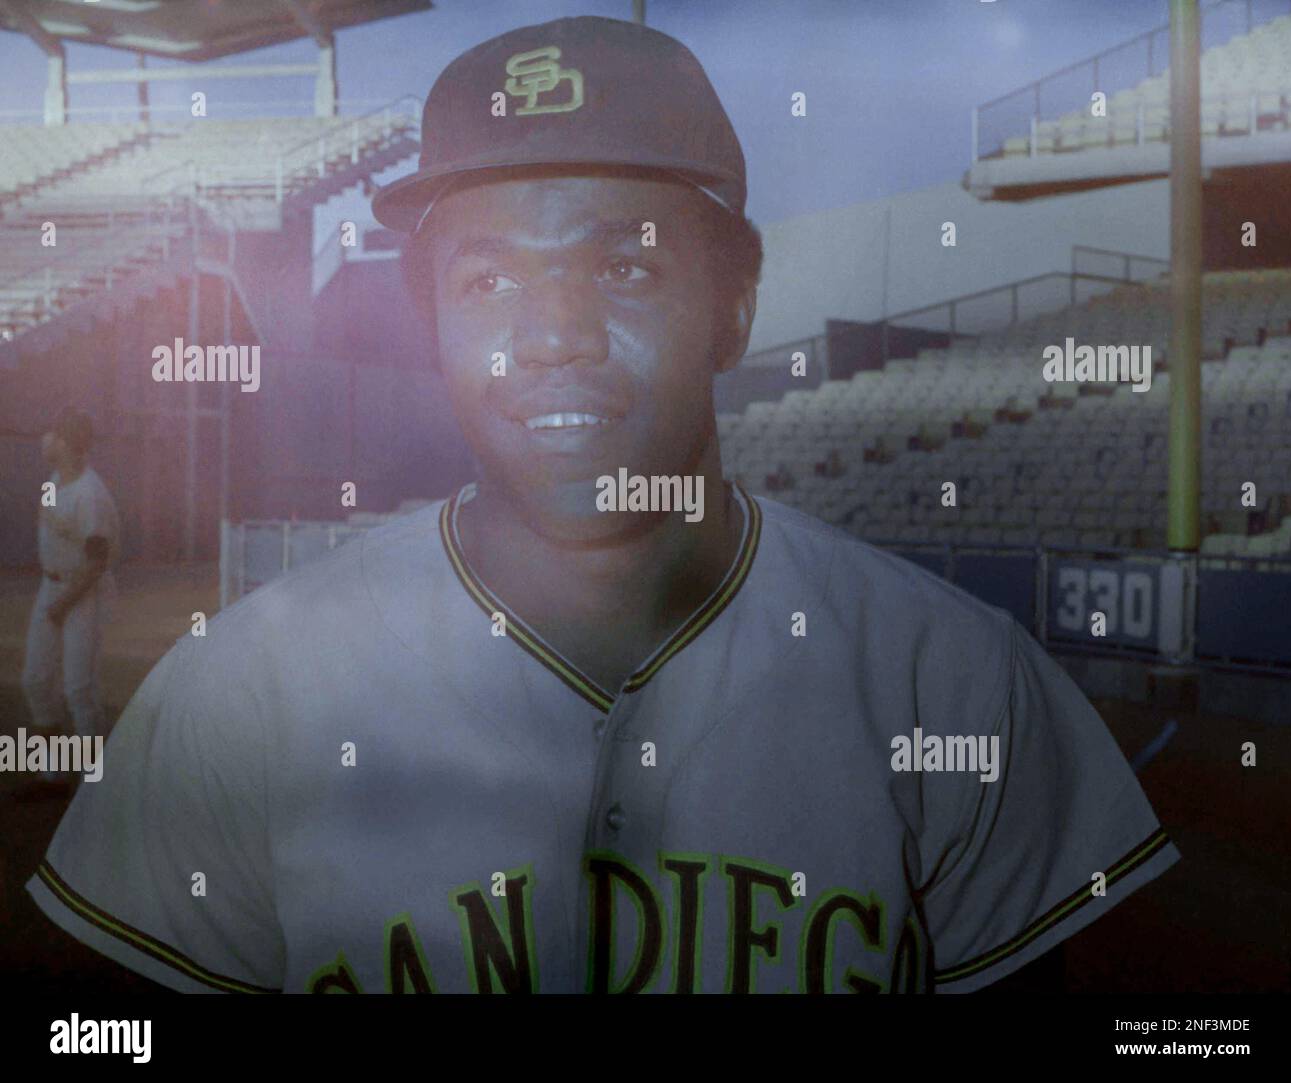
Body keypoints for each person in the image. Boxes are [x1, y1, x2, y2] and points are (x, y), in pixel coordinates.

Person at [29, 16, 1176, 994]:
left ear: (734, 305)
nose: (552, 337)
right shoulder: (240, 694)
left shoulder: (951, 676)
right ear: (431, 321)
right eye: (488, 280)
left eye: (622, 266)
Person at [21, 406, 120, 779]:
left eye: (53, 433)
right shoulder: (53, 480)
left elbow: (95, 564)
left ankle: (94, 781)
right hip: (53, 586)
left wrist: (63, 603)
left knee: (79, 688)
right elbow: (52, 524)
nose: (46, 439)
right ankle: (53, 775)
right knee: (35, 680)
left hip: (83, 592)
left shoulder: (89, 494)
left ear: (65, 443)